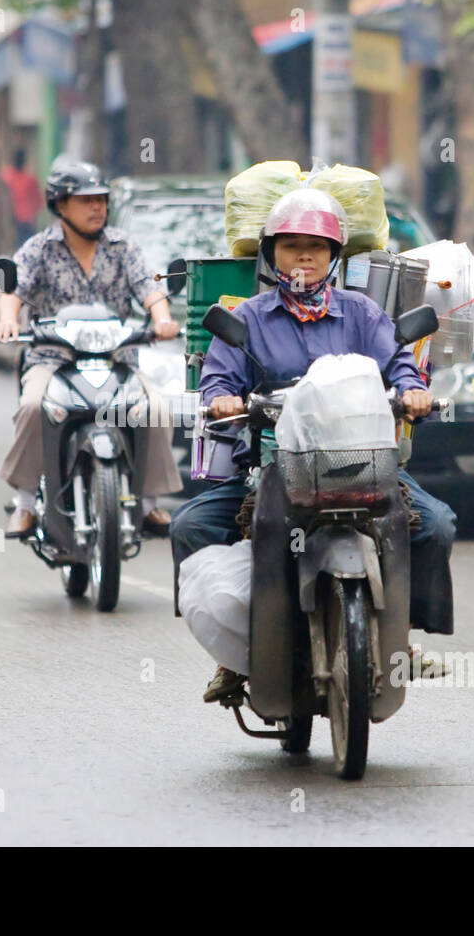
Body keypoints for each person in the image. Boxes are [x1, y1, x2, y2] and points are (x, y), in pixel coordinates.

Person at [169, 188, 457, 702]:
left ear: (334, 256)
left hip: (360, 459)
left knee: (434, 525)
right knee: (191, 526)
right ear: (271, 254)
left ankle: (400, 638)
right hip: (273, 464)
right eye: (292, 245)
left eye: (317, 247)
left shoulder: (363, 315)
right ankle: (231, 654)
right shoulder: (247, 318)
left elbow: (399, 365)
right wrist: (221, 401)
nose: (305, 256)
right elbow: (218, 380)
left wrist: (413, 391)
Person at [0, 159, 182, 538]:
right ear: (60, 206)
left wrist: (162, 320)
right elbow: (13, 289)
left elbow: (150, 286)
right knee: (33, 406)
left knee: (156, 408)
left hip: (117, 359)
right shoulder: (39, 249)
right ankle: (27, 503)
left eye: (101, 199)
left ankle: (148, 504)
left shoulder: (123, 246)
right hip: (54, 359)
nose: (97, 207)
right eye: (86, 200)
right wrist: (8, 320)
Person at [0, 150, 43, 243]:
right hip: (11, 221)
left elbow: (38, 200)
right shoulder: (7, 176)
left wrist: (33, 217)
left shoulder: (28, 178)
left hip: (24, 222)